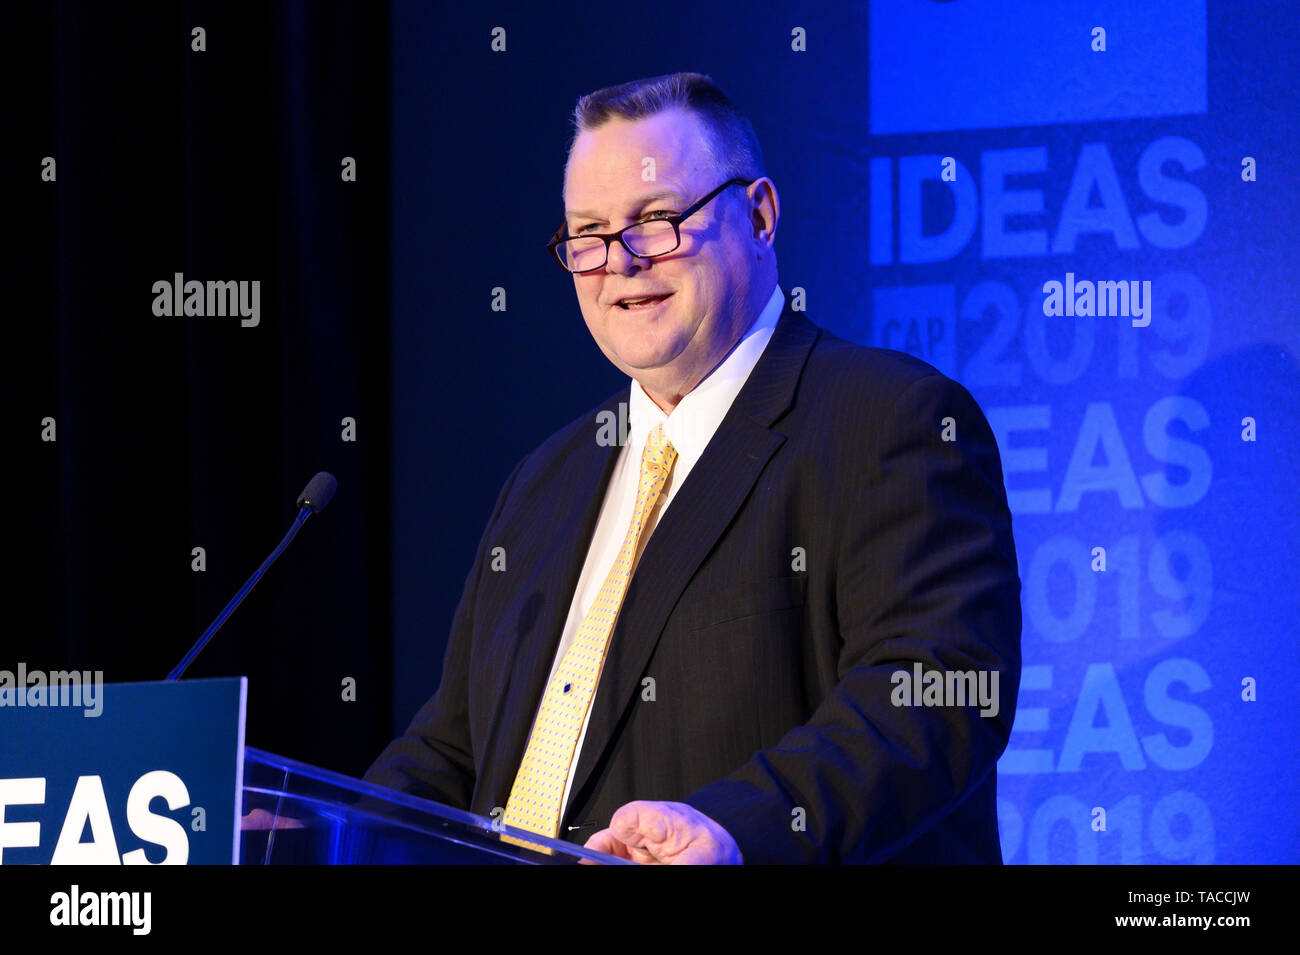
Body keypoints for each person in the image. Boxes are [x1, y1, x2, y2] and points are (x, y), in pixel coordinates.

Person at [365, 72, 1021, 864]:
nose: (622, 262)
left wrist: (735, 828)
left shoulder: (891, 419)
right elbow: (454, 748)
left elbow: (932, 691)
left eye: (658, 219)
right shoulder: (542, 482)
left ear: (759, 214)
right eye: (589, 234)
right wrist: (327, 830)